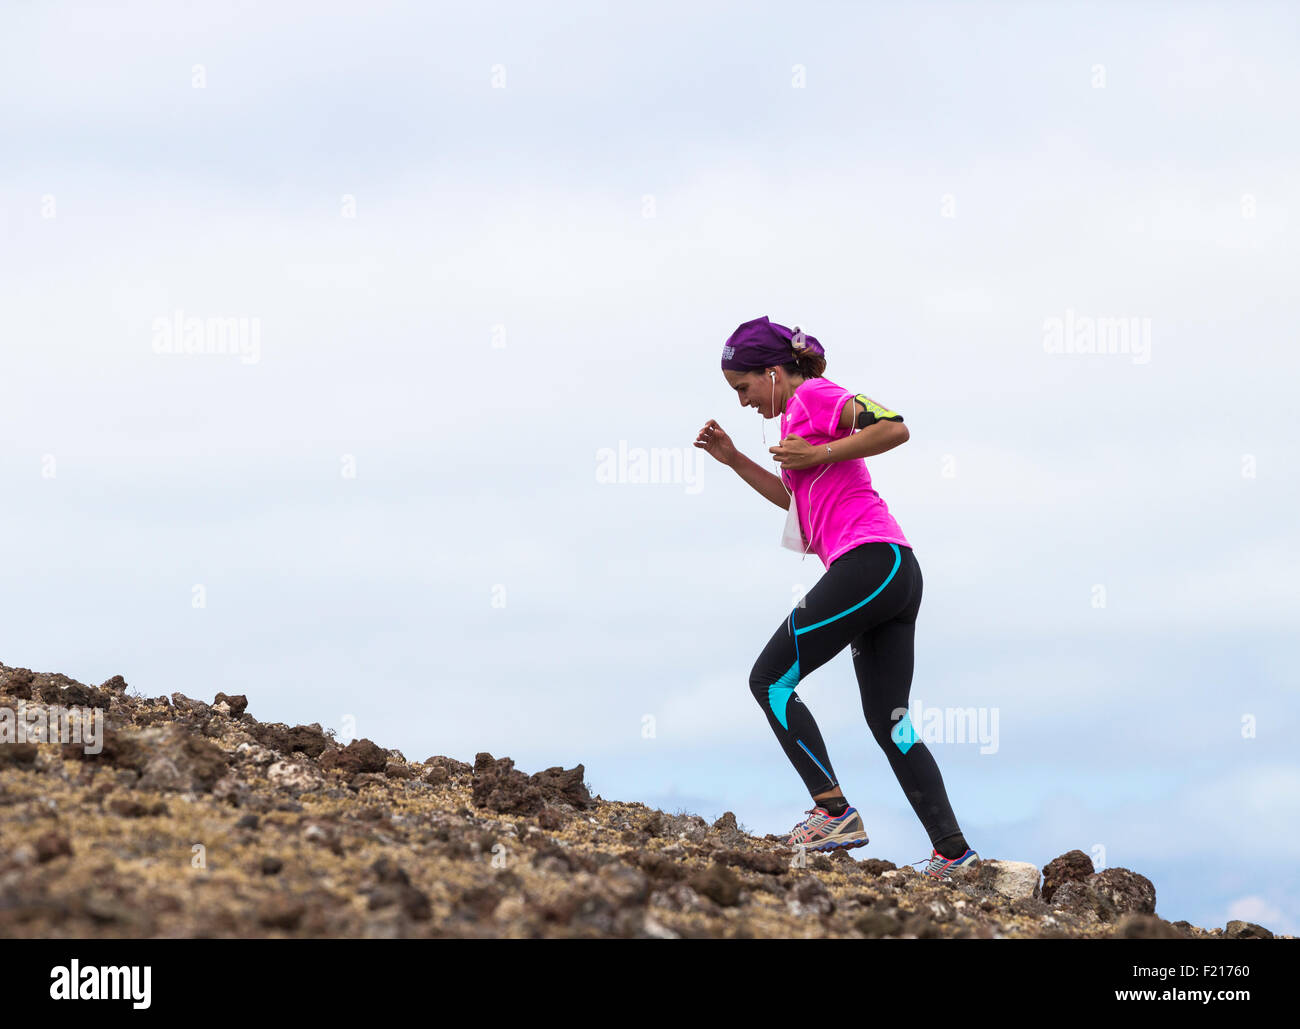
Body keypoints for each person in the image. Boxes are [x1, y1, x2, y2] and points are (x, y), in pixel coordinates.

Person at [694, 315, 980, 880]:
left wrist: (820, 455)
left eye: (744, 388)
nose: (745, 402)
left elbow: (893, 426)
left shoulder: (815, 397)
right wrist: (735, 460)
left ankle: (833, 812)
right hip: (893, 571)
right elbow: (797, 502)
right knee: (890, 719)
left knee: (769, 680)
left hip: (870, 563)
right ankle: (954, 854)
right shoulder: (797, 422)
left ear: (773, 372)